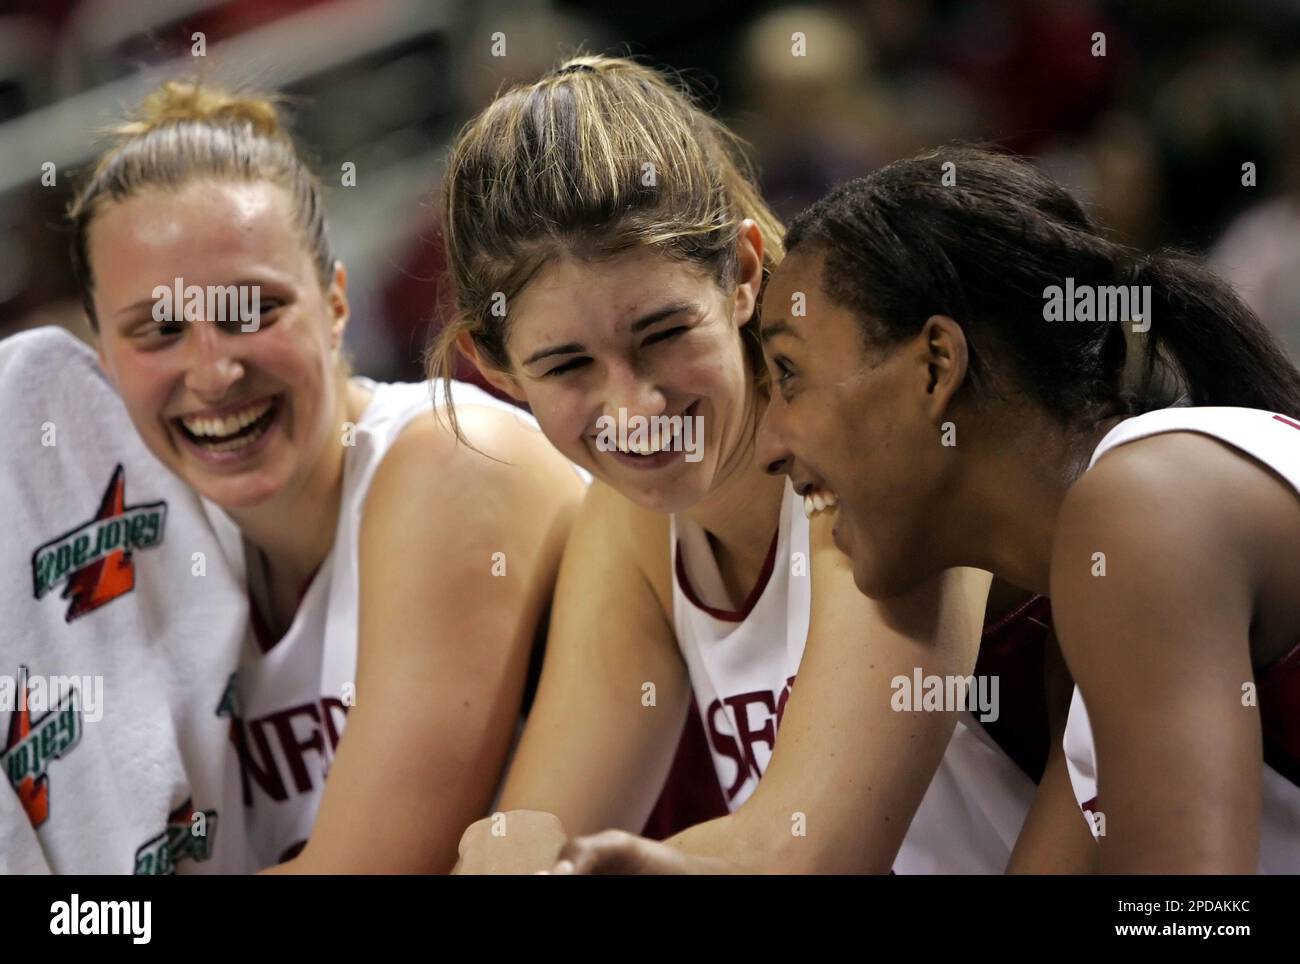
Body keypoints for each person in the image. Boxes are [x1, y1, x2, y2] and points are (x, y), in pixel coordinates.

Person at [443, 57, 1057, 875]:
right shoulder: (627, 527)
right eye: (567, 368)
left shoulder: (876, 448)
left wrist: (563, 863)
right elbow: (524, 842)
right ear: (494, 368)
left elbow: (810, 854)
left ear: (740, 274)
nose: (637, 410)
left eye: (663, 335)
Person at [68, 80, 587, 872]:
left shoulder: (451, 458)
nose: (214, 372)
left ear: (336, 304)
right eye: (159, 330)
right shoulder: (144, 553)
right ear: (102, 356)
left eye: (253, 310)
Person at [746, 146, 1299, 873]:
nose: (771, 445)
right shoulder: (1087, 606)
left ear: (936, 365)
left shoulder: (1148, 505)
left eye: (789, 374)